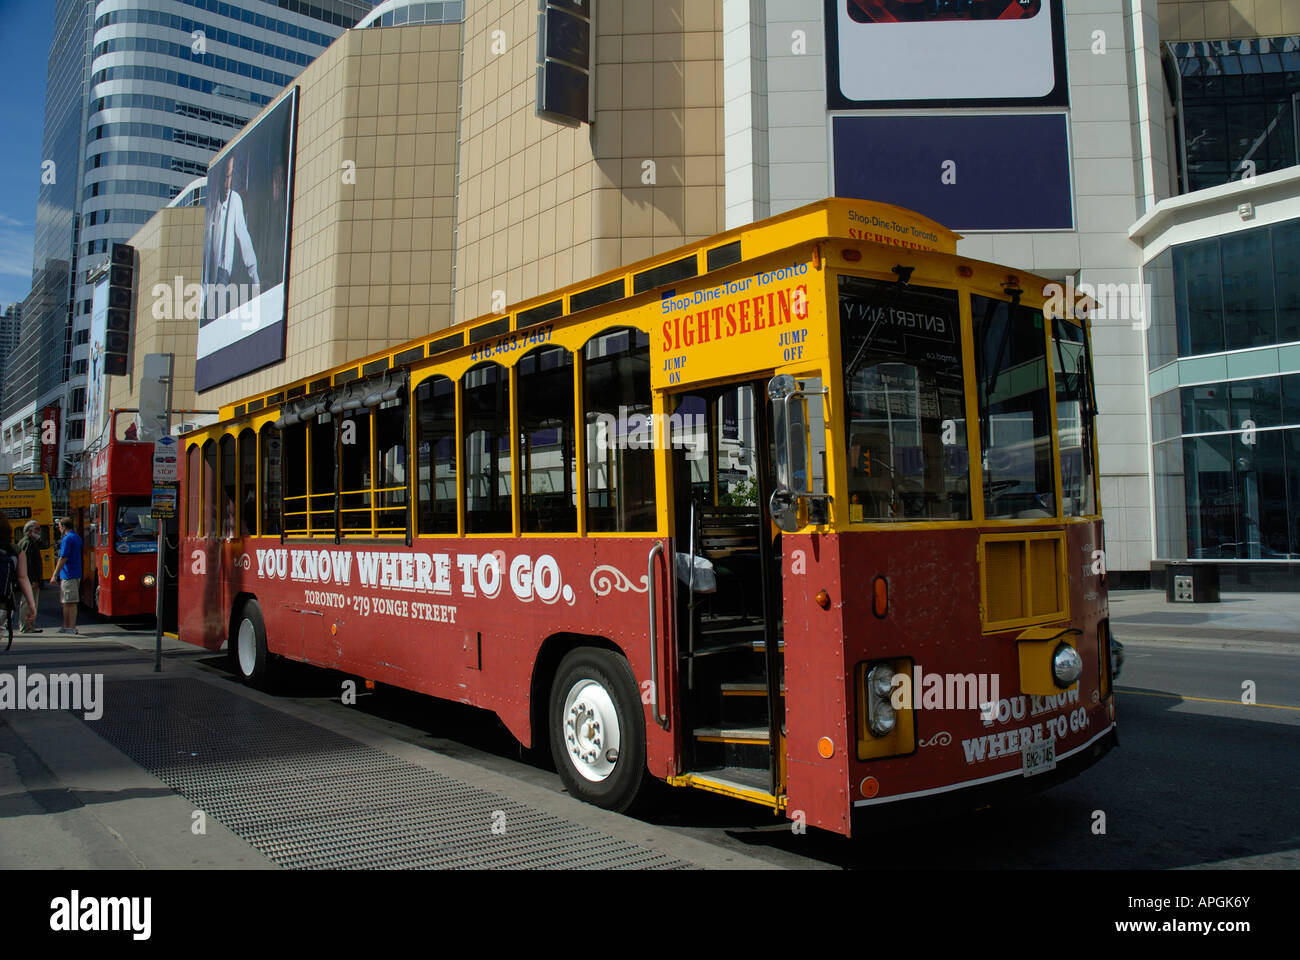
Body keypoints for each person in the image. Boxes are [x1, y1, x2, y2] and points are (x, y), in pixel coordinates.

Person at [48, 516, 83, 635]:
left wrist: (54, 575)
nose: (59, 529)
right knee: (67, 601)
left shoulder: (67, 539)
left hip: (69, 574)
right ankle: (67, 626)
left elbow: (63, 558)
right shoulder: (76, 537)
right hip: (73, 573)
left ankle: (70, 627)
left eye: (59, 527)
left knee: (70, 602)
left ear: (63, 527)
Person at [15, 518, 43, 633]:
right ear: (29, 531)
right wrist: (32, 580)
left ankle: (29, 626)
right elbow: (27, 564)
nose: (39, 532)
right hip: (30, 580)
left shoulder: (30, 542)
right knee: (28, 603)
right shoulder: (27, 543)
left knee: (30, 603)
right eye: (37, 529)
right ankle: (25, 627)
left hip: (30, 579)